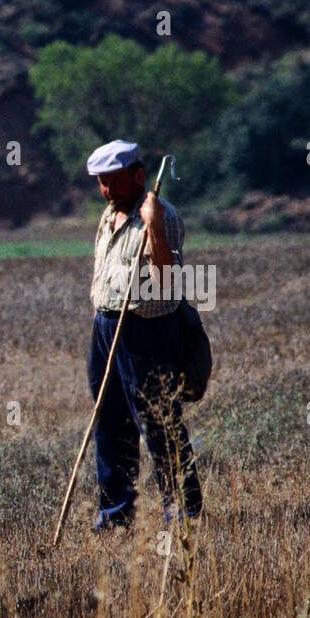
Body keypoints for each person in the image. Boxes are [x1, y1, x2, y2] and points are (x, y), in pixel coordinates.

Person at [86, 139, 202, 531]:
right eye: (102, 183)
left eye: (114, 181)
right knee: (110, 423)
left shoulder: (163, 215)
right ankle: (116, 515)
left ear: (139, 176)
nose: (107, 190)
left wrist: (151, 222)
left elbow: (167, 283)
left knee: (159, 423)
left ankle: (184, 513)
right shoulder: (110, 214)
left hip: (146, 331)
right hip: (107, 327)